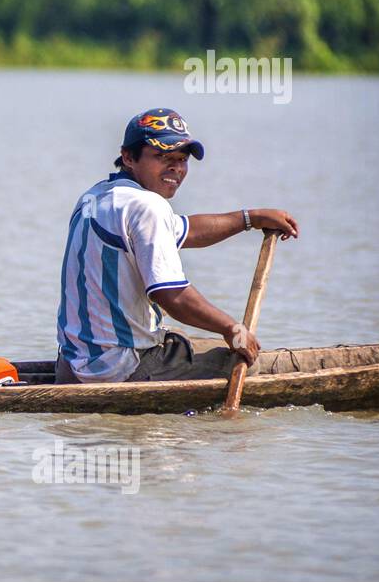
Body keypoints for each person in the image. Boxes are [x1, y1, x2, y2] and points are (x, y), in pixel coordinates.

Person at [55, 108, 299, 384]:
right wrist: (232, 329)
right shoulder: (147, 206)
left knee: (188, 340)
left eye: (182, 160)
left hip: (73, 364)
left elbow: (187, 230)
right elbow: (172, 296)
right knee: (249, 366)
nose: (176, 169)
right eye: (163, 157)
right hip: (120, 367)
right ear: (128, 157)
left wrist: (250, 218)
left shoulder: (95, 196)